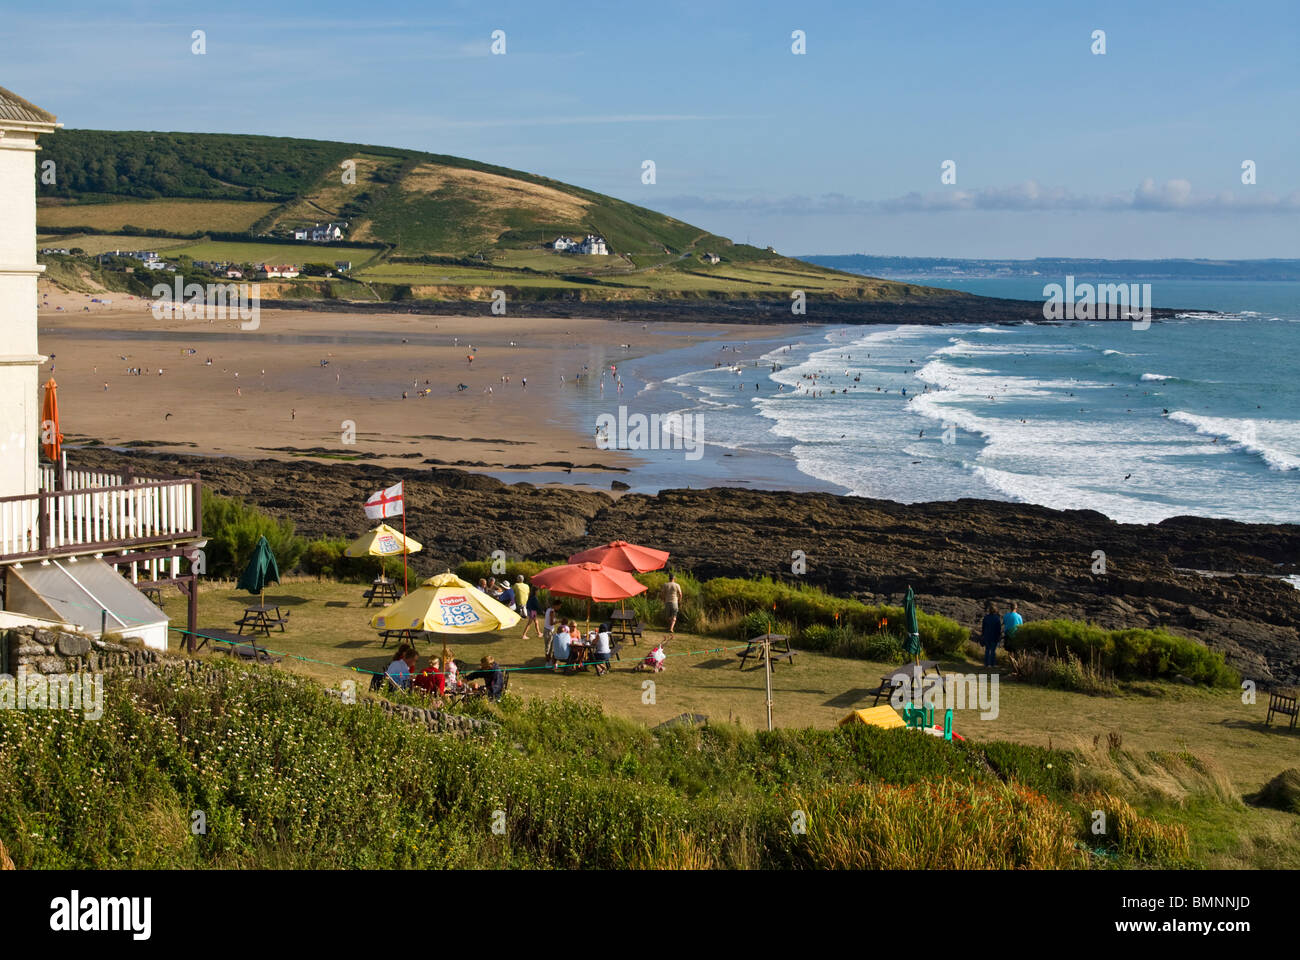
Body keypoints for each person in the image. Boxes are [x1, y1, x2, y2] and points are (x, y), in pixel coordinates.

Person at [660, 572, 683, 638]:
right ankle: (671, 628)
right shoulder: (677, 585)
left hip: (667, 601)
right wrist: (679, 600)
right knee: (674, 615)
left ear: (669, 578)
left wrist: (663, 600)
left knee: (668, 616)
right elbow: (680, 594)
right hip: (675, 602)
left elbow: (662, 594)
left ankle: (670, 627)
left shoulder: (665, 585)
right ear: (674, 578)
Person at [980, 602, 1003, 669]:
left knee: (987, 650)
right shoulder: (997, 619)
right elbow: (998, 629)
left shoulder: (986, 618)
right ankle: (992, 664)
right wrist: (999, 636)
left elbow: (983, 627)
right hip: (994, 636)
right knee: (993, 651)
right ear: (996, 611)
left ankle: (986, 664)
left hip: (987, 636)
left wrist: (983, 635)